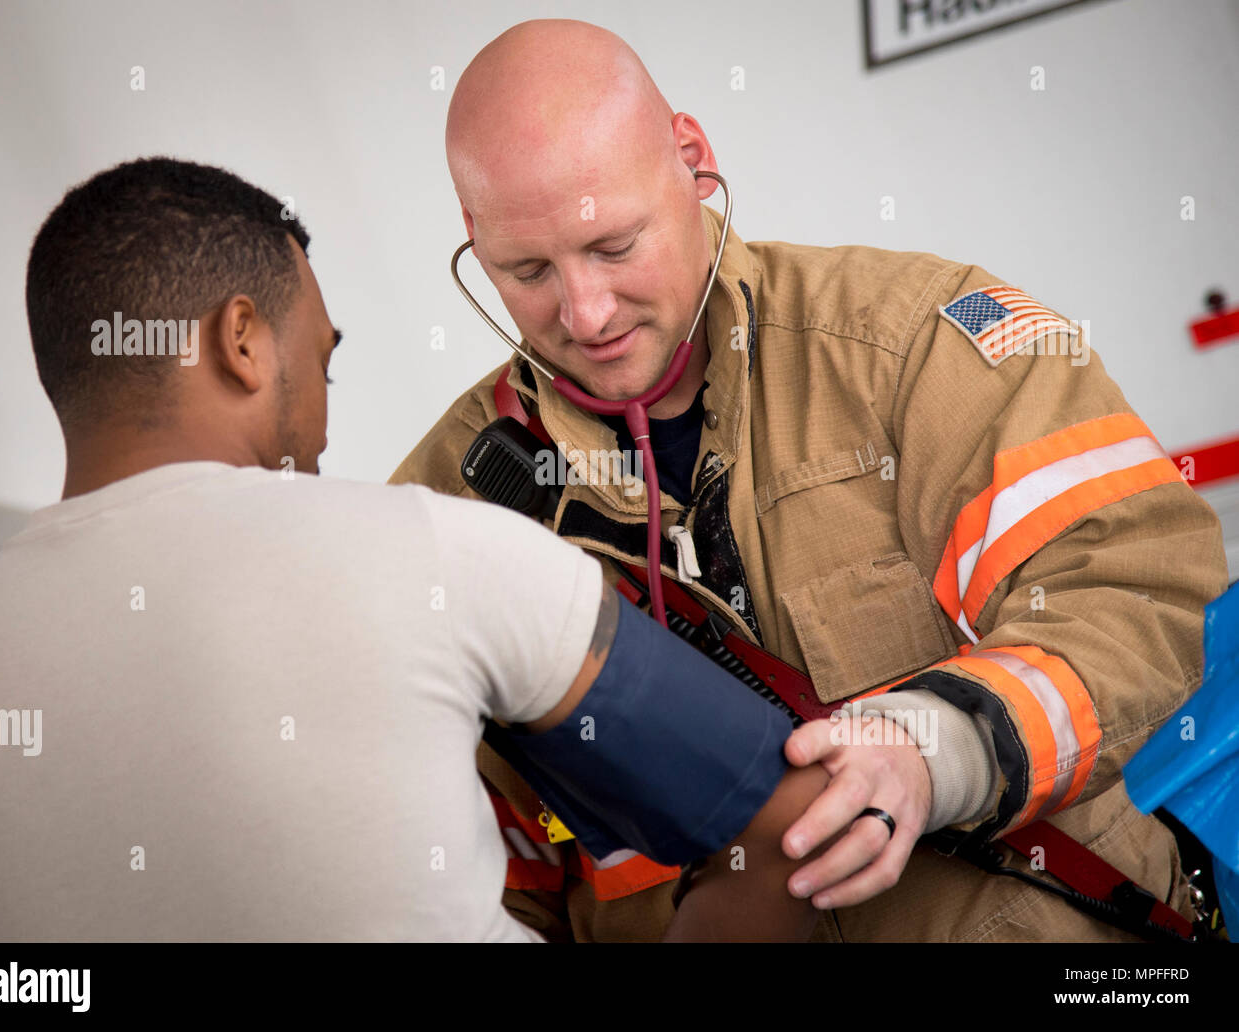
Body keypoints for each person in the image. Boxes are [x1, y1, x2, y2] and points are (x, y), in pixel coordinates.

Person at [390, 19, 1231, 942]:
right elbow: (460, 868)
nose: (585, 313)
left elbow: (1133, 584)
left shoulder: (913, 346)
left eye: (615, 247)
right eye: (528, 270)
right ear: (473, 239)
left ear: (691, 158)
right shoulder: (436, 519)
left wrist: (935, 748)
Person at [0, 157, 829, 942]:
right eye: (321, 364)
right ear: (241, 343)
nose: (324, 431)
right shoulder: (440, 550)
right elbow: (783, 816)